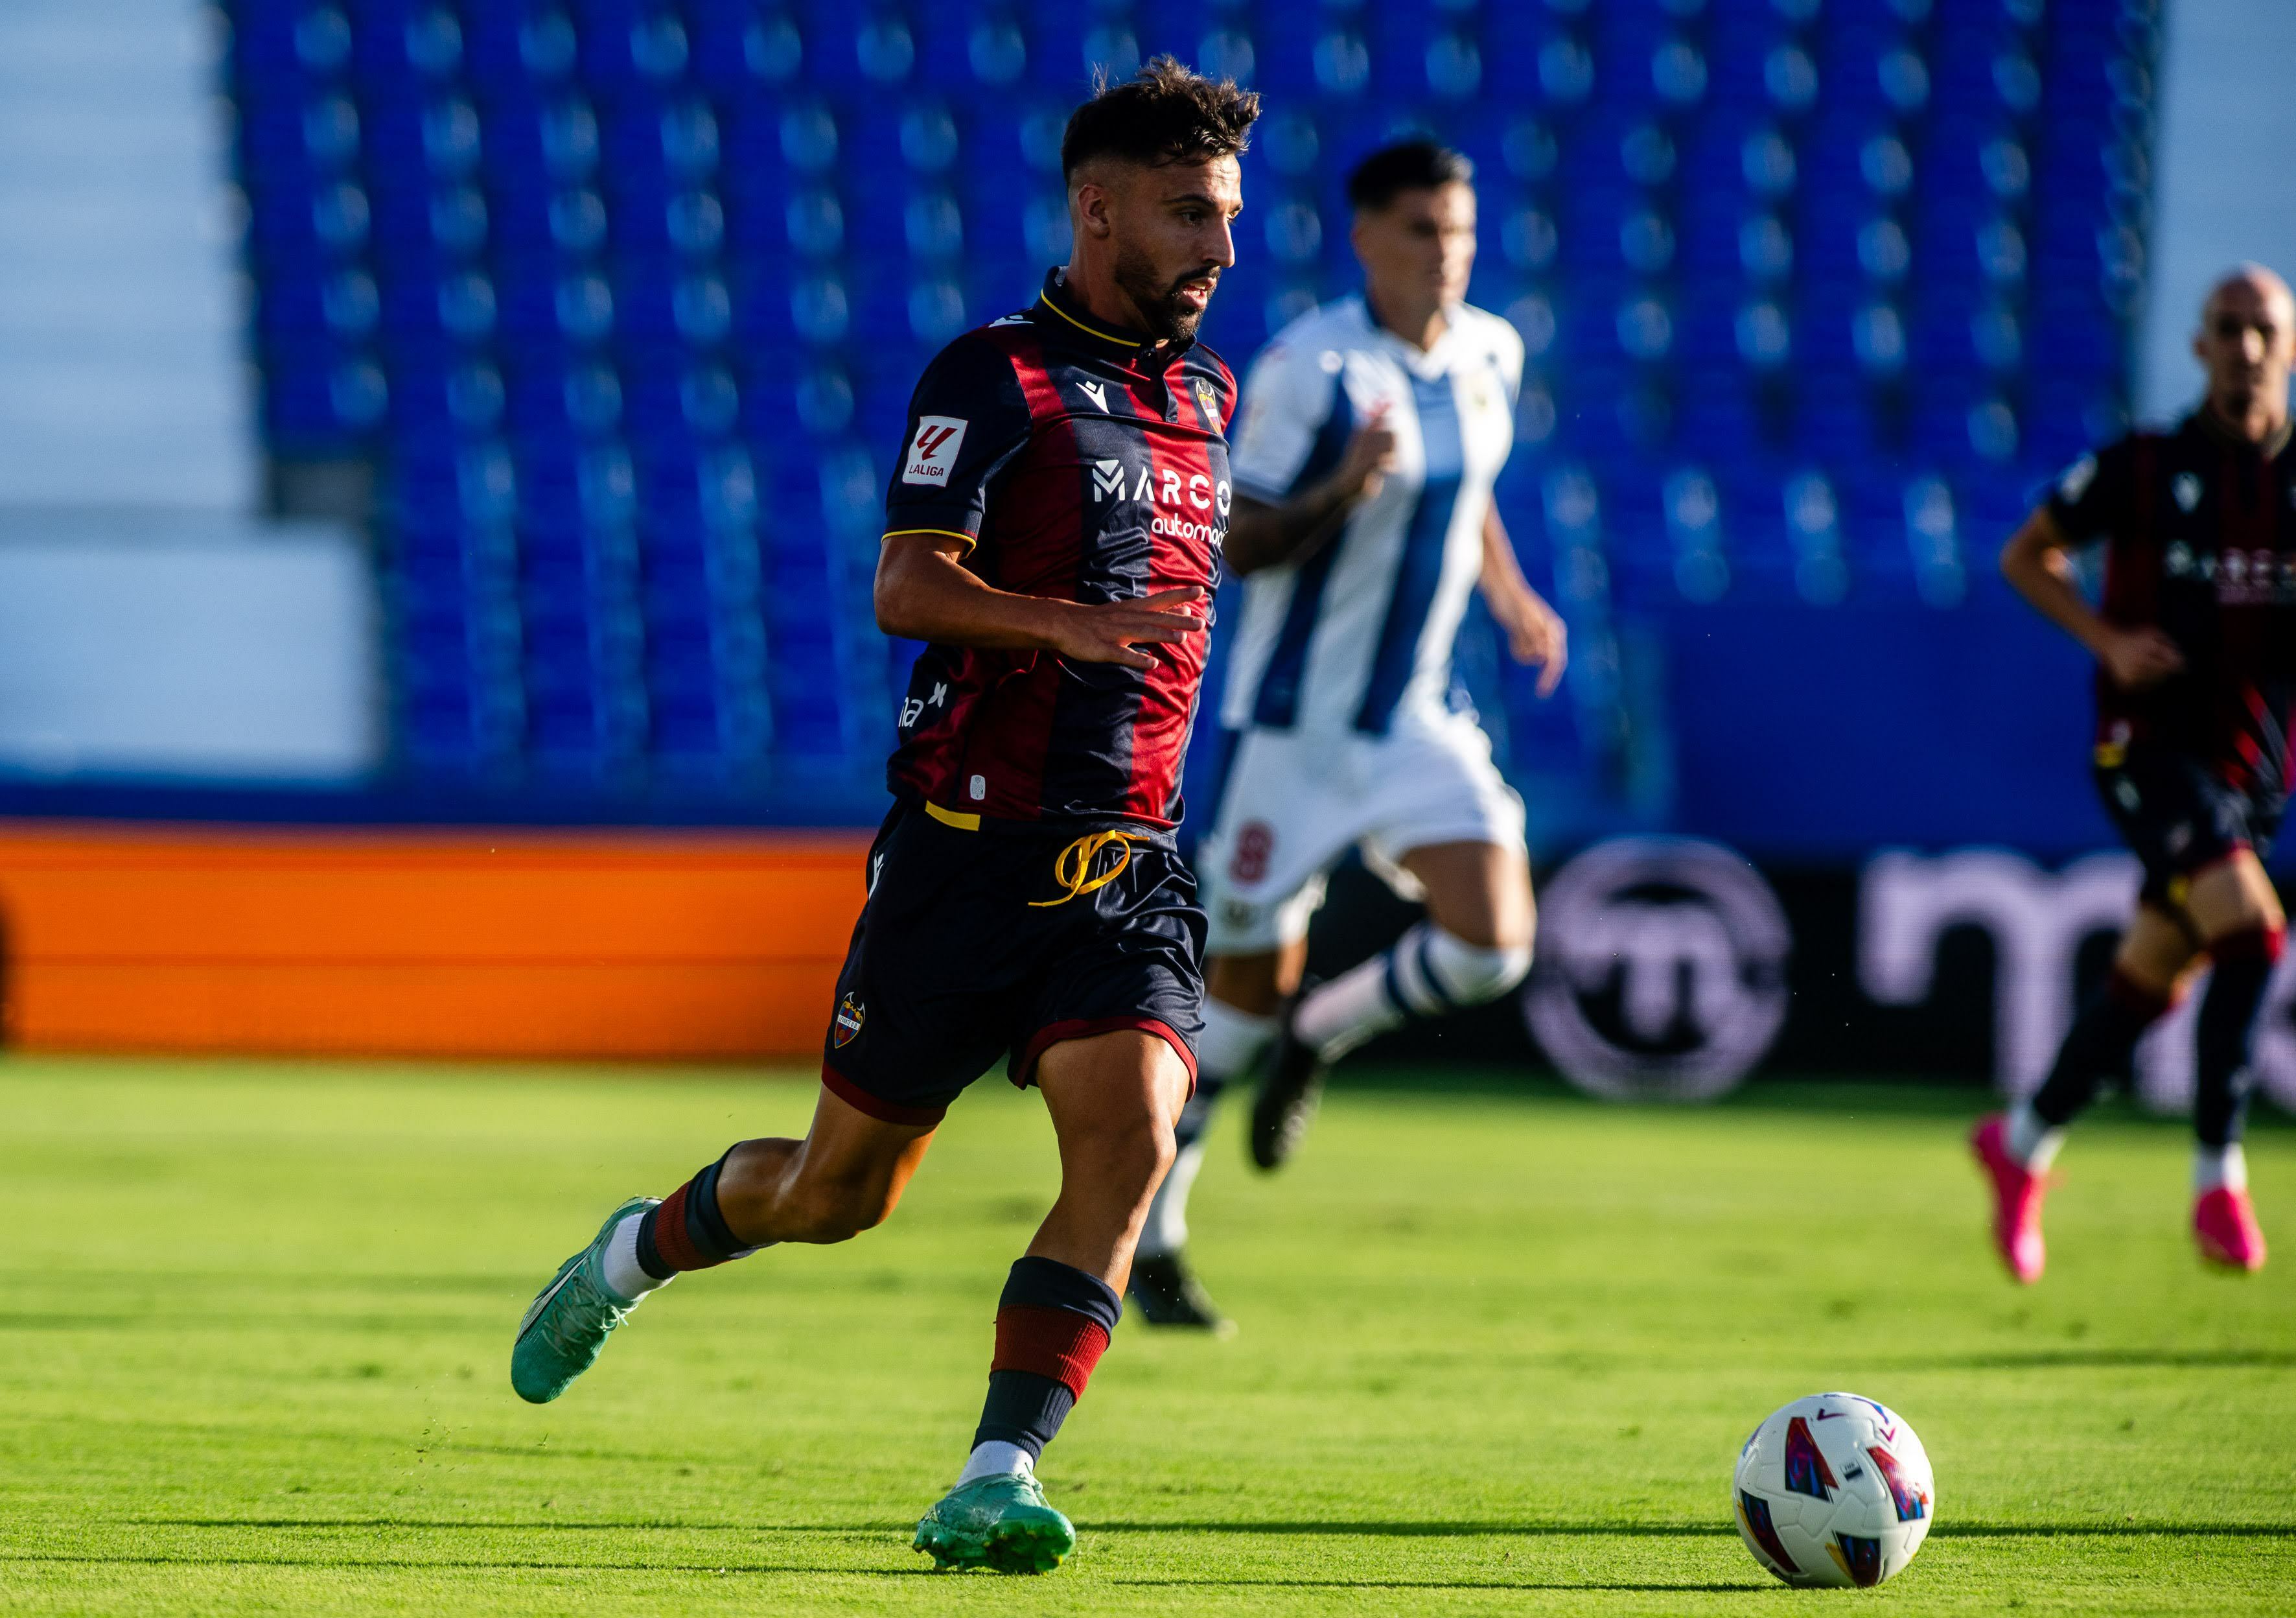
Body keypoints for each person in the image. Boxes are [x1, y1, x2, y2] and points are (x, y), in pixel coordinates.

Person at [508, 59, 1258, 1574]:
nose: (1217, 250)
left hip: (1127, 866)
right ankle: (627, 1254)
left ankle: (997, 1474)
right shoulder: (989, 375)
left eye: (1230, 216)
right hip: (962, 863)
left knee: (1130, 1145)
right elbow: (902, 587)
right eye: (1187, 215)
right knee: (832, 1194)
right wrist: (1064, 625)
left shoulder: (1204, 394)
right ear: (1094, 208)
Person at [1127, 141, 1567, 1333]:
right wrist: (1340, 490)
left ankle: (1327, 1032)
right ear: (1366, 238)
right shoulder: (1311, 369)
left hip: (1415, 717)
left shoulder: (1490, 350)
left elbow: (1463, 494)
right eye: (1425, 232)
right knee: (1234, 1016)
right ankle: (1158, 1236)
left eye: (1462, 232)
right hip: (1291, 736)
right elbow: (1241, 539)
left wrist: (1512, 596)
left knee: (1496, 944)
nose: (1448, 256)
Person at [1977, 263, 2296, 1280]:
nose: (2245, 348)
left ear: (2288, 347)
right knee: (2251, 934)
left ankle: (2020, 1145)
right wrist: (2105, 639)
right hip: (2143, 748)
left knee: (2155, 974)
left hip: (2252, 771)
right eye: (2227, 329)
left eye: (2263, 330)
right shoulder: (2146, 467)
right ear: (2198, 346)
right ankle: (2218, 1178)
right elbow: (2027, 554)